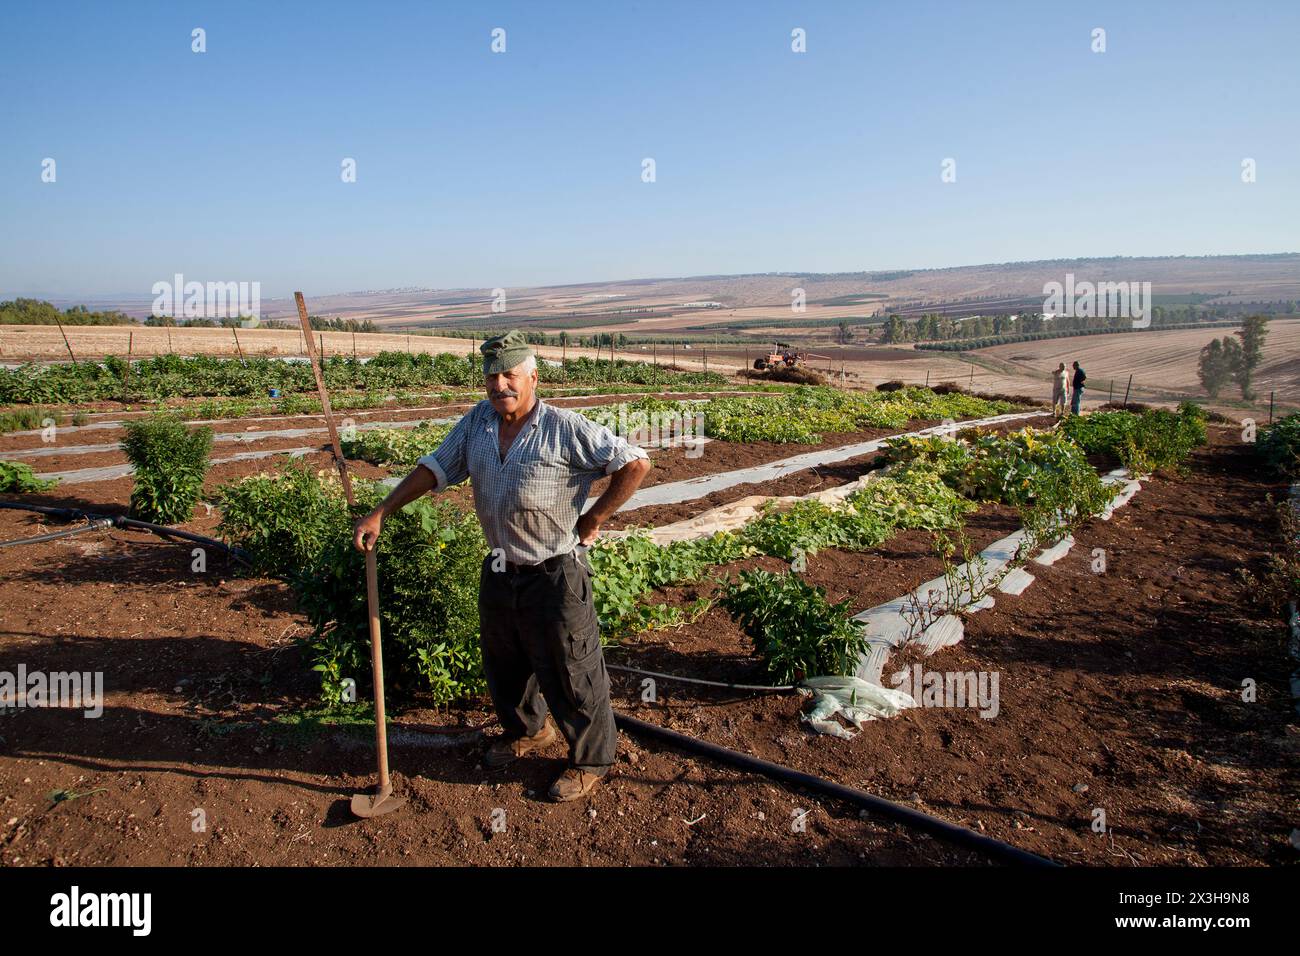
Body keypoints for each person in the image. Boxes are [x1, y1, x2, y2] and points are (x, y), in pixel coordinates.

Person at [352, 330, 652, 801]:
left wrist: (595, 516)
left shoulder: (564, 427)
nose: (499, 385)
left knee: (572, 666)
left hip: (555, 570)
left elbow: (634, 462)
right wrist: (381, 511)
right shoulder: (478, 423)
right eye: (492, 376)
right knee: (505, 662)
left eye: (509, 374)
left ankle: (592, 758)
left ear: (533, 376)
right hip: (499, 566)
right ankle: (529, 731)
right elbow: (436, 468)